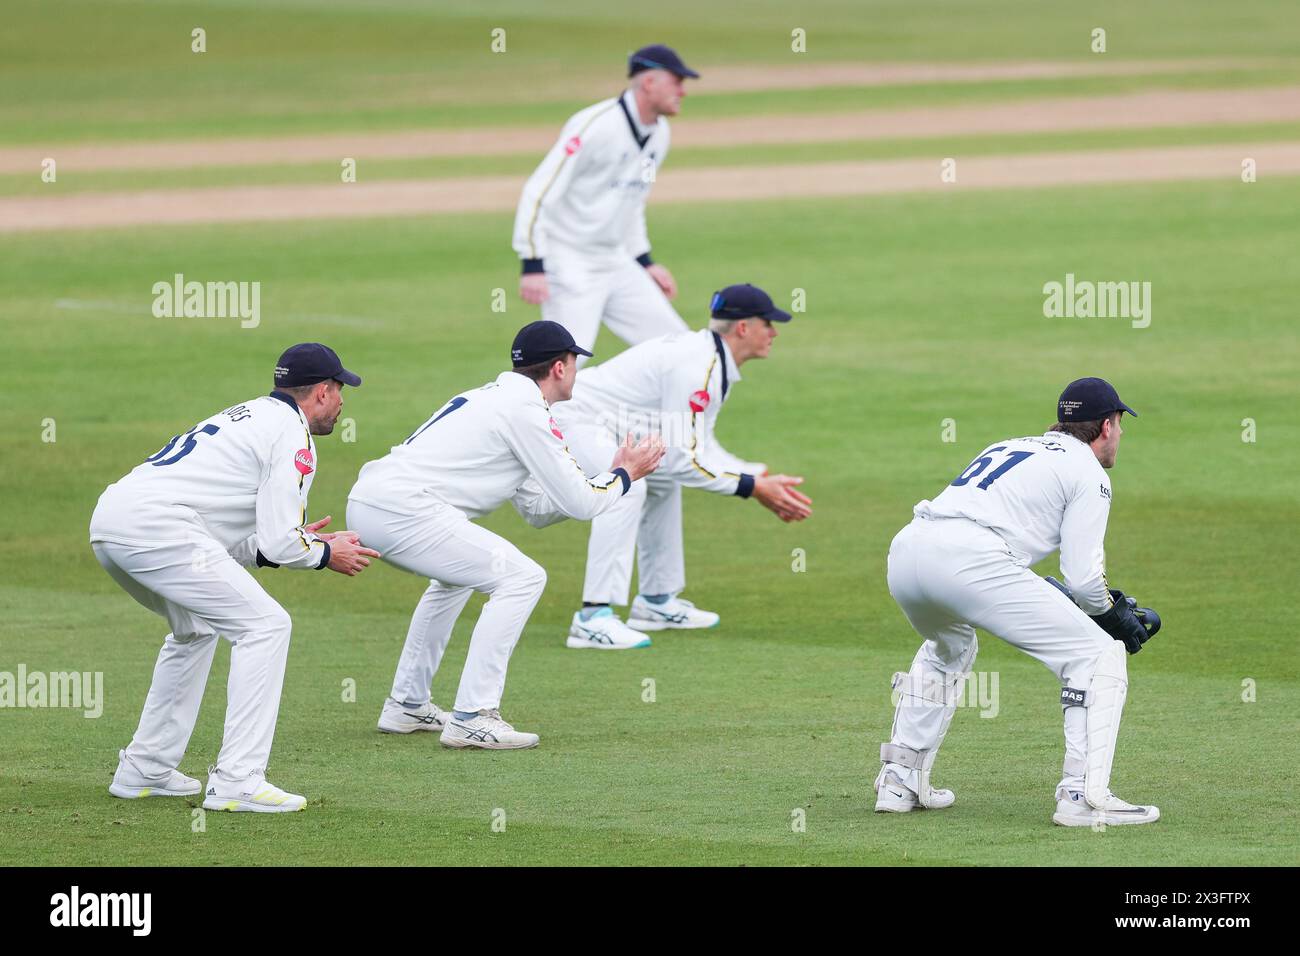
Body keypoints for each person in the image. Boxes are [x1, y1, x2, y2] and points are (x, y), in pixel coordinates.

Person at [346, 321, 665, 748]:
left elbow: (537, 509)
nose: (575, 371)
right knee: (522, 577)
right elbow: (583, 504)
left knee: (456, 580)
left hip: (374, 502)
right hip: (403, 509)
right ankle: (472, 716)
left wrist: (607, 478)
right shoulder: (527, 412)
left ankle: (407, 705)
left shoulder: (498, 399)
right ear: (558, 367)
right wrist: (624, 474)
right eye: (574, 362)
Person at [90, 344, 376, 813]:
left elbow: (237, 541)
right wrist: (325, 552)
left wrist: (300, 544)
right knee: (265, 625)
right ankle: (238, 781)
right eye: (341, 390)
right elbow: (283, 544)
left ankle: (146, 768)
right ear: (322, 392)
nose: (343, 402)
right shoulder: (293, 434)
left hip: (113, 522)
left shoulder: (250, 415)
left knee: (196, 628)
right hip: (159, 529)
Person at [876, 377, 1161, 827]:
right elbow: (1085, 581)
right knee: (1095, 655)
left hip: (909, 549)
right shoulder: (1089, 472)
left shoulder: (1010, 444)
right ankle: (1082, 797)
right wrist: (1113, 617)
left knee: (948, 647)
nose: (1121, 435)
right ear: (1107, 426)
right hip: (971, 560)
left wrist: (1092, 606)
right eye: (1121, 425)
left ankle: (898, 779)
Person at [553, 283, 813, 650]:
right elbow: (685, 460)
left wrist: (754, 476)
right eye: (767, 323)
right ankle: (593, 617)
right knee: (628, 486)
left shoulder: (711, 361)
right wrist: (751, 488)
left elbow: (694, 446)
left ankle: (656, 600)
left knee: (658, 478)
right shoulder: (699, 367)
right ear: (743, 328)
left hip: (608, 427)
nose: (774, 332)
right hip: (574, 418)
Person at [512, 44, 699, 356]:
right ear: (649, 82)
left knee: (681, 349)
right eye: (676, 81)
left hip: (615, 260)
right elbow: (539, 190)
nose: (683, 91)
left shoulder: (660, 134)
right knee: (562, 362)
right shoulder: (595, 126)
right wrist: (532, 263)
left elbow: (635, 199)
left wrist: (645, 261)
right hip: (569, 261)